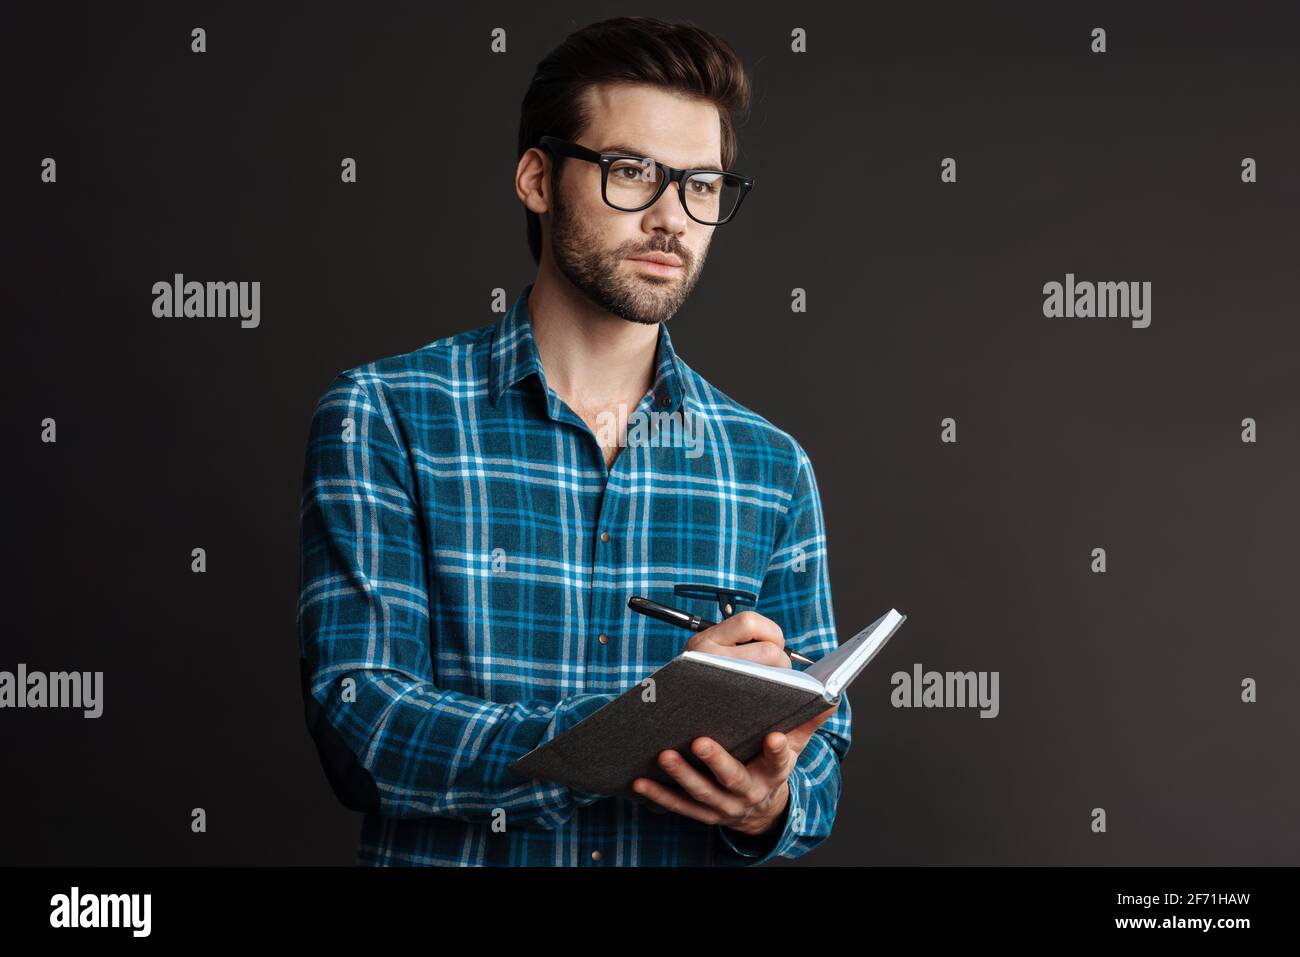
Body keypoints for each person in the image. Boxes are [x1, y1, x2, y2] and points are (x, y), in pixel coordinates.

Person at [297, 15, 850, 866]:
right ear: (537, 178)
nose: (672, 217)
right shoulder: (384, 416)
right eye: (633, 172)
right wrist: (634, 726)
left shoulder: (771, 469)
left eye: (701, 184)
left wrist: (766, 804)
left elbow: (822, 759)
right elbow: (360, 722)